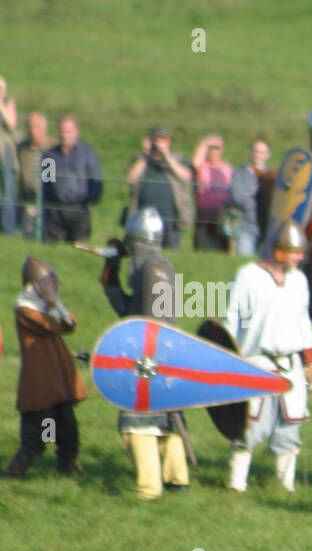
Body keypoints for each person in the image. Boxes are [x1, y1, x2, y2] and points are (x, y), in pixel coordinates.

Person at [98, 207, 190, 498]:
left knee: (137, 423)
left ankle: (150, 487)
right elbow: (130, 314)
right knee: (164, 420)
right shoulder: (151, 268)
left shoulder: (155, 270)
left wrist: (147, 362)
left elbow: (154, 325)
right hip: (154, 357)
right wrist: (111, 279)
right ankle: (176, 478)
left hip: (152, 359)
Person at [224, 221, 312, 492]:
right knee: (248, 428)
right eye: (295, 252)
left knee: (290, 427)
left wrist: (310, 360)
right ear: (278, 251)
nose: (300, 257)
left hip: (291, 366)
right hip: (256, 363)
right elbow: (231, 319)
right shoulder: (247, 276)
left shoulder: (299, 281)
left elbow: (304, 322)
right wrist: (229, 360)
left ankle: (285, 487)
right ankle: (236, 485)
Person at [5, 257, 87, 478]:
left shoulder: (46, 307)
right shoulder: (26, 308)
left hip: (57, 382)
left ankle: (66, 469)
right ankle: (13, 475)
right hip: (40, 383)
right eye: (47, 282)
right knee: (37, 434)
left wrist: (55, 303)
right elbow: (52, 326)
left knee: (67, 429)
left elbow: (69, 324)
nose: (53, 286)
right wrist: (53, 305)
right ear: (35, 286)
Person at [124, 126, 194, 248]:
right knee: (144, 248)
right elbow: (130, 179)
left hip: (170, 217)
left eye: (162, 140)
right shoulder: (140, 160)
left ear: (168, 142)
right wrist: (146, 155)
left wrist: (167, 156)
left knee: (170, 252)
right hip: (143, 217)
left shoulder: (177, 159)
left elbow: (186, 177)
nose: (159, 144)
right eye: (156, 140)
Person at [41, 115, 102, 243]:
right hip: (56, 212)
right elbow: (46, 183)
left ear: (76, 132)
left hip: (80, 210)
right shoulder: (49, 156)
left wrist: (90, 202)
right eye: (61, 131)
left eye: (68, 131)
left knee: (79, 247)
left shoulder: (87, 153)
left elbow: (96, 180)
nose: (64, 135)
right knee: (55, 249)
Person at [191, 133, 233, 251]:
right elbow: (195, 163)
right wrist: (205, 143)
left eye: (217, 148)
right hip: (204, 215)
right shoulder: (203, 167)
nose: (214, 152)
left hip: (222, 216)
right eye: (211, 148)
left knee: (222, 249)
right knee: (202, 247)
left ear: (222, 150)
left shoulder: (227, 169)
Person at [229, 139, 270, 257]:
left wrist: (251, 197)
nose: (257, 154)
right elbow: (237, 196)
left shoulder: (270, 176)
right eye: (256, 151)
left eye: (261, 152)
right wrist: (258, 203)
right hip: (245, 226)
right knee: (243, 261)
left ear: (267, 155)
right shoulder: (239, 173)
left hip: (265, 230)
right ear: (251, 152)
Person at [15, 111, 50, 239]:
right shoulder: (22, 149)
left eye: (36, 127)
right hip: (26, 200)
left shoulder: (51, 149)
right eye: (30, 127)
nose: (32, 131)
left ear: (44, 129)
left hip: (47, 201)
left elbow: (50, 179)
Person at [0, 76, 18, 235]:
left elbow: (11, 125)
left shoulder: (8, 103)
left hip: (4, 152)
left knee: (7, 191)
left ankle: (8, 228)